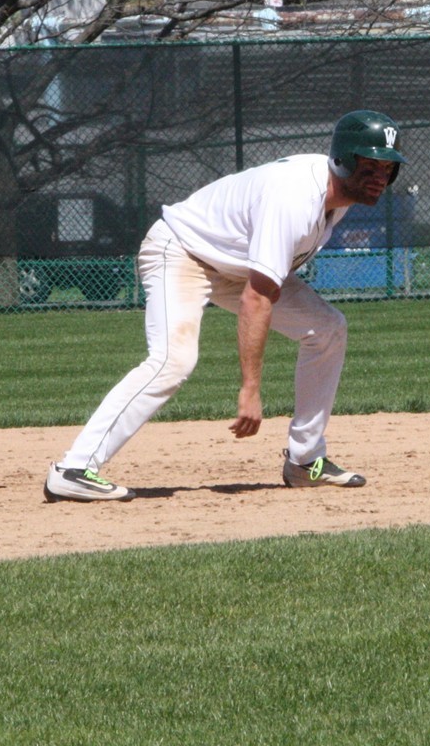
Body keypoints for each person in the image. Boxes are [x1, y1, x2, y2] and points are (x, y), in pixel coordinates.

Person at [44, 110, 408, 502]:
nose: (378, 177)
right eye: (368, 164)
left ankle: (305, 461)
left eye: (386, 168)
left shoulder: (340, 195)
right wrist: (250, 388)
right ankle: (74, 468)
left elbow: (260, 281)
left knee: (328, 329)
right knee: (173, 360)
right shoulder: (296, 197)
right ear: (342, 159)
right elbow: (258, 297)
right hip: (182, 251)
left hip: (234, 264)